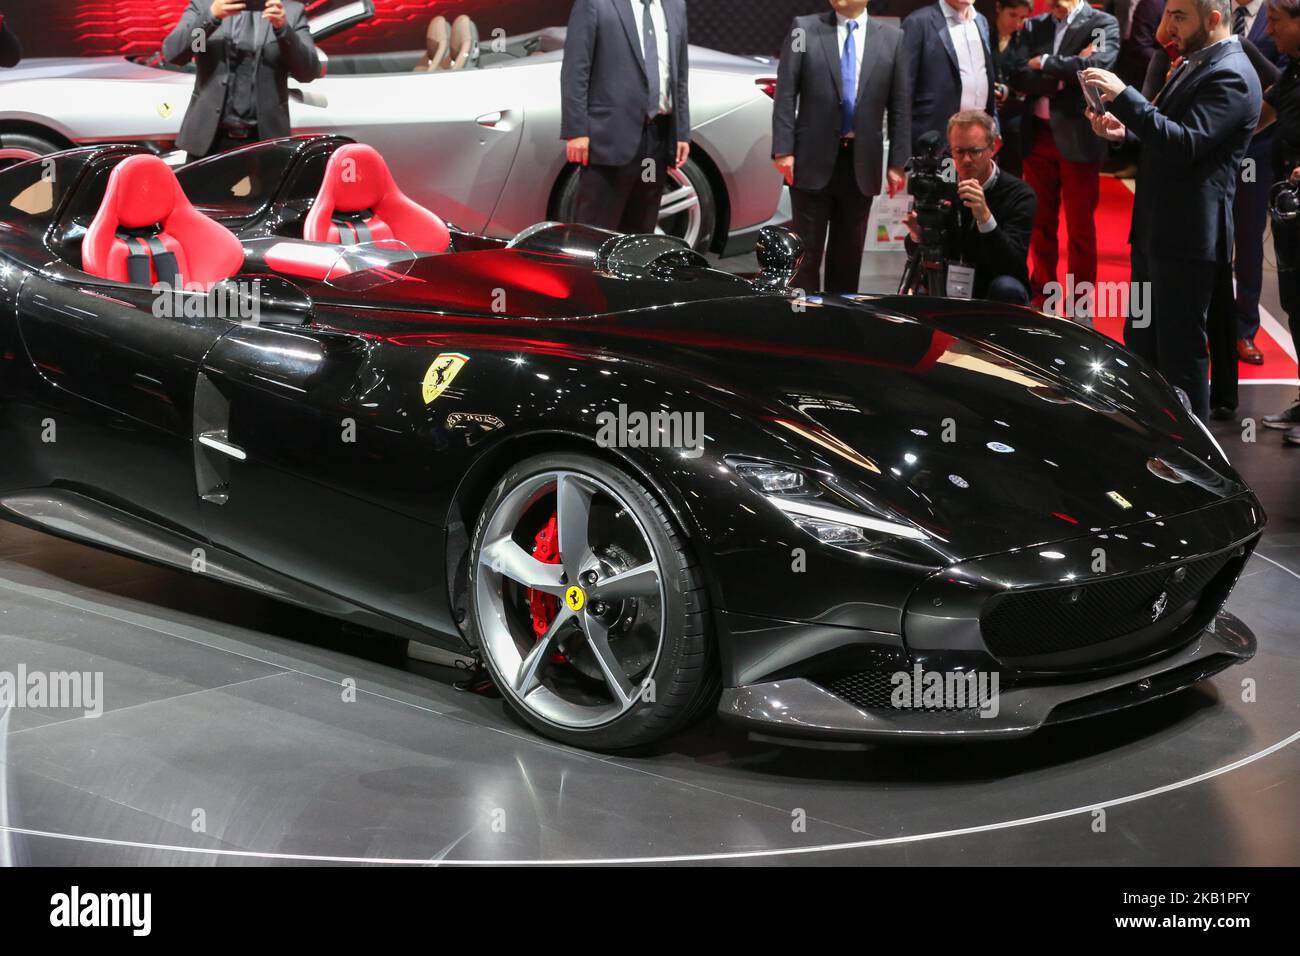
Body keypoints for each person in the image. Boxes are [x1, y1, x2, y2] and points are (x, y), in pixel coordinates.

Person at [1084, 0, 1262, 422]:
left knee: (1180, 356)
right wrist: (1124, 130)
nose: (1168, 27)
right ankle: (1147, 439)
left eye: (1179, 16)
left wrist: (1125, 97)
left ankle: (1193, 467)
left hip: (1185, 239)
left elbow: (1186, 145)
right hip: (1155, 231)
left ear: (1213, 18)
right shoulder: (1196, 61)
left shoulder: (1232, 74)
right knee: (1142, 344)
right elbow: (1167, 133)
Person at [771, 0, 910, 294]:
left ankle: (840, 323)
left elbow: (899, 106)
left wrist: (898, 163)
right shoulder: (804, 29)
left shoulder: (893, 38)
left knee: (848, 255)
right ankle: (803, 320)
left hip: (862, 161)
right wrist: (784, 149)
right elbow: (785, 92)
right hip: (811, 157)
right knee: (805, 253)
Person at [1013, 0, 1120, 324]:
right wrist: (1065, 75)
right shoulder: (1035, 24)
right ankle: (1041, 296)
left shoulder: (1102, 24)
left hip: (1080, 139)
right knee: (1040, 223)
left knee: (1080, 228)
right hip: (1037, 138)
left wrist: (1044, 62)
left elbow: (1098, 66)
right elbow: (1017, 73)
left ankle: (1080, 306)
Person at [560, 0, 691, 235]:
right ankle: (589, 274)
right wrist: (576, 130)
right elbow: (575, 69)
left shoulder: (674, 6)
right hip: (609, 135)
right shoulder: (596, 4)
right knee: (595, 230)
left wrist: (682, 131)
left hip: (657, 138)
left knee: (641, 228)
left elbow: (679, 74)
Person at [903, 110, 1037, 302]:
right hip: (947, 283)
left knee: (1007, 288)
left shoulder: (1019, 195)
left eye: (974, 151)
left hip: (992, 288)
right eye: (959, 151)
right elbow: (920, 254)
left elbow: (1012, 265)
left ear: (994, 147)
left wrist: (985, 218)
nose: (966, 160)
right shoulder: (942, 186)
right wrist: (917, 235)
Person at [162, 0, 320, 159]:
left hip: (266, 140)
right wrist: (211, 18)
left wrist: (283, 30)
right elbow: (178, 55)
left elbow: (307, 72)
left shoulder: (289, 11)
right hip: (208, 138)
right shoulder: (206, 5)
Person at [1232, 0, 1284, 367]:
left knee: (1248, 238)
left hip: (1258, 146)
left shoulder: (1278, 17)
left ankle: (1244, 330)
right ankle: (1210, 323)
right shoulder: (1215, 10)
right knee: (1210, 238)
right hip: (1210, 140)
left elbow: (1285, 78)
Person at [1257, 0, 1300, 444]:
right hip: (1289, 210)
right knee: (1295, 305)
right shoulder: (1291, 69)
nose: (1270, 31)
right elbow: (1260, 116)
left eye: (1276, 22)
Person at [902, 0, 997, 156]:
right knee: (947, 179)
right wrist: (901, 155)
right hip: (937, 143)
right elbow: (903, 91)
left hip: (978, 142)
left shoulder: (981, 21)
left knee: (972, 181)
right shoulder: (919, 22)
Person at [992, 0, 1033, 177]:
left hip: (1014, 118)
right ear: (999, 8)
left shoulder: (1027, 40)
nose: (1017, 23)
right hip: (984, 115)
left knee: (1012, 172)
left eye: (1022, 17)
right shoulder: (980, 31)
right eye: (1012, 15)